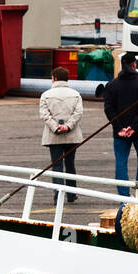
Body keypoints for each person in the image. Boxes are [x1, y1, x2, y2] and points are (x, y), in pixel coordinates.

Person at [103, 51, 138, 196]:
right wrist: (134, 126)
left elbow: (108, 109)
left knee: (121, 162)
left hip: (120, 133)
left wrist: (120, 127)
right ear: (134, 64)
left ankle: (124, 196)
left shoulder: (112, 85)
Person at [39, 66, 83, 203]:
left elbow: (44, 115)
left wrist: (56, 127)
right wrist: (68, 126)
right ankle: (71, 194)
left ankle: (58, 195)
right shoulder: (75, 94)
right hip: (72, 135)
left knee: (56, 165)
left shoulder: (46, 95)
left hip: (54, 135)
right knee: (70, 164)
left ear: (54, 78)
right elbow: (78, 113)